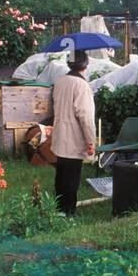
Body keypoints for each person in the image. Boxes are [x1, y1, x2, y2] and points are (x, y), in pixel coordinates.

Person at [51, 49, 96, 217]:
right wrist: (90, 141)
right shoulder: (81, 85)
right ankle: (69, 212)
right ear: (86, 64)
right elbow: (85, 116)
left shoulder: (60, 81)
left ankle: (57, 209)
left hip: (60, 136)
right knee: (72, 177)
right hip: (74, 138)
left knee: (61, 175)